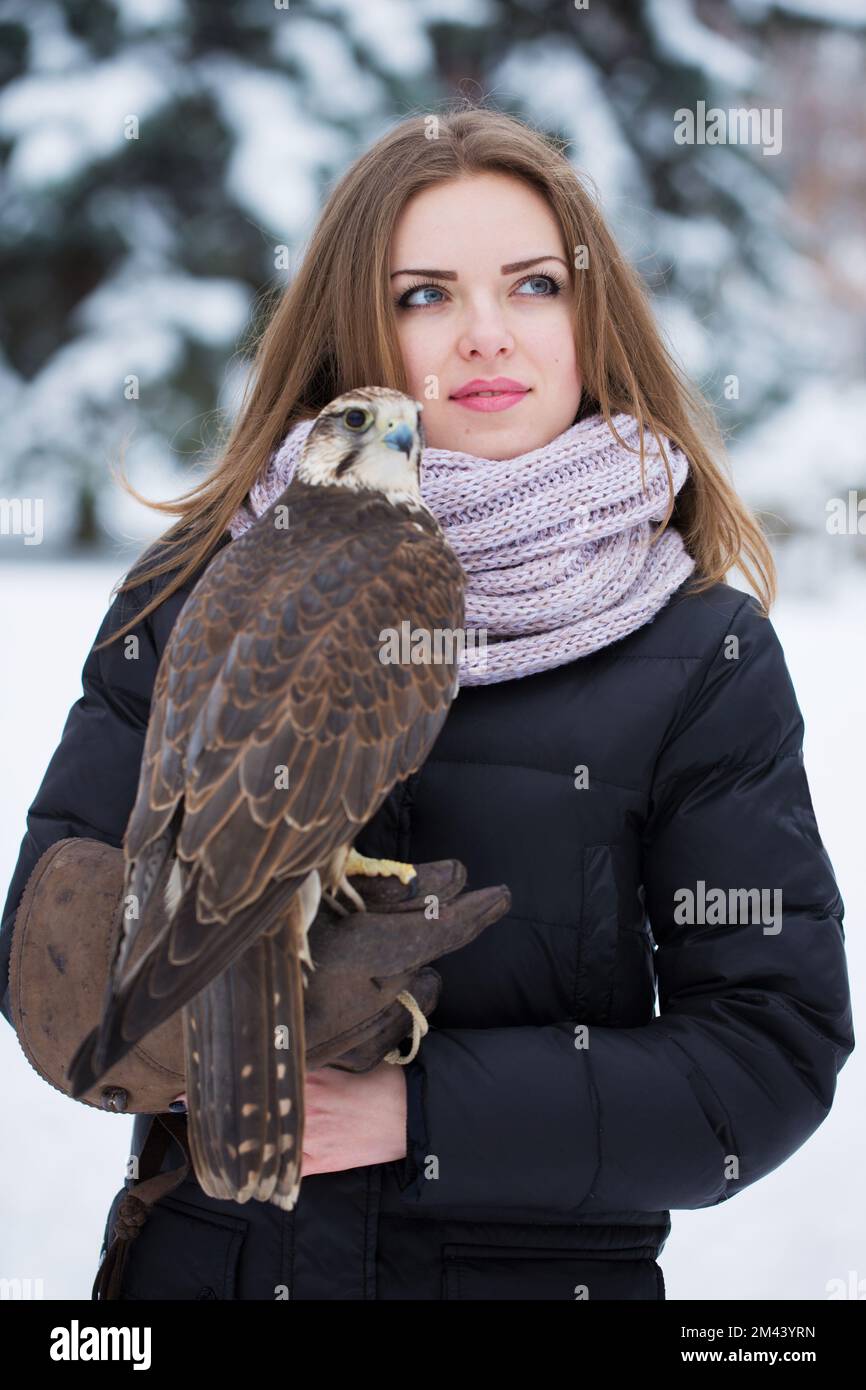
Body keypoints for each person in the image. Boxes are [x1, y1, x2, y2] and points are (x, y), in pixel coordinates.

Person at [0, 104, 853, 1301]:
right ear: (355, 331)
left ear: (591, 316)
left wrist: (417, 1110)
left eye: (534, 285)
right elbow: (50, 949)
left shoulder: (697, 652)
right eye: (424, 296)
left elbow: (766, 1053)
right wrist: (221, 987)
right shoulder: (193, 588)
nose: (485, 334)